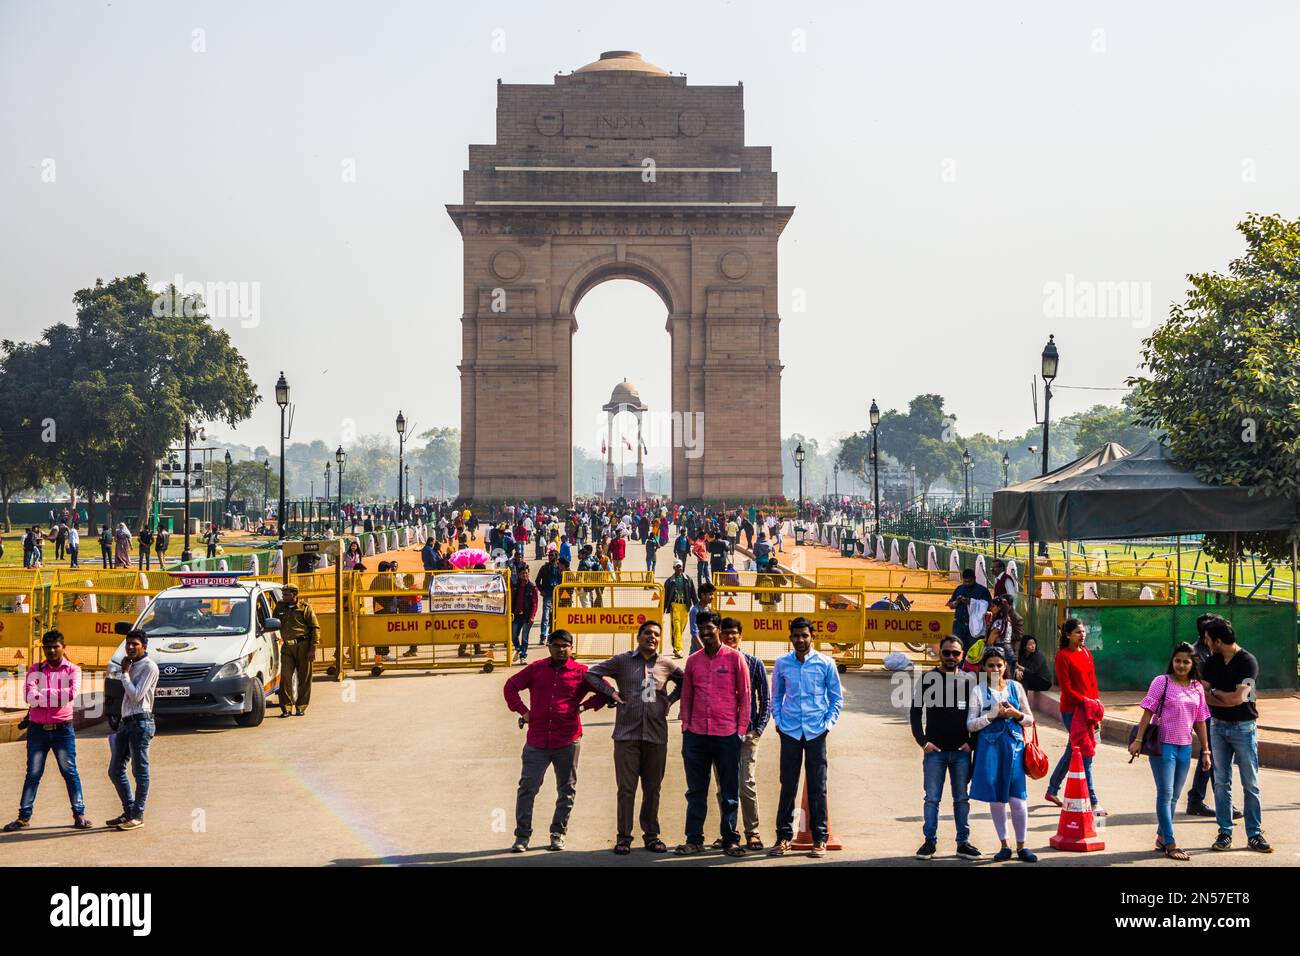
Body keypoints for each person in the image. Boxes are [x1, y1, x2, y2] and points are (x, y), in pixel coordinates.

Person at [585, 620, 684, 854]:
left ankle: (651, 836)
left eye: (657, 635)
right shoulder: (622, 661)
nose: (652, 637)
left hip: (656, 736)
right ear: (638, 637)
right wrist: (612, 693)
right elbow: (592, 674)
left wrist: (669, 701)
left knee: (653, 789)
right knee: (626, 789)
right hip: (626, 736)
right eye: (648, 633)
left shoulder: (667, 664)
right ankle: (624, 837)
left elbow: (685, 681)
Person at [502, 630, 605, 852]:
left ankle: (558, 833)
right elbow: (510, 686)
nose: (561, 649)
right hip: (537, 741)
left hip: (568, 740)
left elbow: (605, 691)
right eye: (556, 645)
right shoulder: (536, 669)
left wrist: (584, 706)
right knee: (527, 788)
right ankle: (522, 836)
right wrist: (523, 711)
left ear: (572, 648)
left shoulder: (581, 672)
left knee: (566, 790)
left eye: (565, 645)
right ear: (549, 647)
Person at [676, 610, 750, 856]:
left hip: (726, 734)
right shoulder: (693, 661)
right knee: (696, 791)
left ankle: (730, 839)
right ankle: (694, 839)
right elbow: (686, 696)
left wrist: (740, 730)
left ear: (718, 629)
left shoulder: (734, 658)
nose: (705, 633)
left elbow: (745, 696)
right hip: (696, 734)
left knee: (729, 791)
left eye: (709, 628)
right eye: (700, 629)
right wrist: (686, 726)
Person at [1127, 642, 1211, 861]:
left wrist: (1206, 751)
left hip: (1185, 747)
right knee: (1165, 795)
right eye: (1177, 661)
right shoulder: (1161, 682)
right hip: (1162, 746)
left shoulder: (1197, 687)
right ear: (1172, 662)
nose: (1181, 665)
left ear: (1192, 664)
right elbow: (1147, 714)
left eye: (1186, 661)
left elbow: (1200, 720)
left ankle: (1161, 837)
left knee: (1174, 796)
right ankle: (1171, 843)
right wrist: (1138, 740)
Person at [768, 616, 842, 858]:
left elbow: (836, 698)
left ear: (812, 636)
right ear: (790, 638)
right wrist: (779, 721)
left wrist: (828, 724)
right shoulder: (782, 664)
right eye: (796, 636)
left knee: (817, 787)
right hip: (789, 731)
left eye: (805, 635)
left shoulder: (825, 663)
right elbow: (776, 697)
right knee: (787, 785)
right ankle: (783, 837)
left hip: (816, 731)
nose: (800, 640)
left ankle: (819, 839)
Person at [4, 631, 93, 832]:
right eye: (47, 647)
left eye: (55, 646)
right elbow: (30, 697)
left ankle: (79, 815)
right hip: (37, 731)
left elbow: (69, 695)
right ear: (43, 648)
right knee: (33, 774)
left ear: (63, 647)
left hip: (62, 730)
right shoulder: (35, 669)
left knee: (69, 772)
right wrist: (54, 695)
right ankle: (23, 817)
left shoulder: (73, 670)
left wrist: (43, 693)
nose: (51, 650)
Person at [1201, 618, 1272, 852]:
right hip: (1218, 726)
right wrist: (1222, 695)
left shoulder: (1248, 661)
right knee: (1221, 782)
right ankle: (1224, 832)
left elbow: (1238, 699)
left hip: (1244, 727)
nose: (1205, 642)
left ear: (1218, 641)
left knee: (1250, 783)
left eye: (1208, 638)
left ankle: (1254, 833)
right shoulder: (1211, 661)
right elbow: (1204, 694)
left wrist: (1215, 692)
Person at [910, 634, 981, 860]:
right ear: (939, 653)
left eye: (956, 653)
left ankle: (963, 843)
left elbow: (978, 714)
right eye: (946, 652)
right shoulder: (928, 679)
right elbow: (915, 712)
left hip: (961, 753)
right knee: (932, 799)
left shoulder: (970, 681)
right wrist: (923, 742)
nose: (951, 657)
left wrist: (971, 743)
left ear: (962, 656)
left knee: (961, 799)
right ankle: (929, 842)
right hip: (935, 753)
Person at [967, 647, 1037, 862]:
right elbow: (970, 724)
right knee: (997, 800)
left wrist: (1015, 714)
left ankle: (1022, 846)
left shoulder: (1016, 688)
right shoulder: (978, 691)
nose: (995, 668)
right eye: (991, 665)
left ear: (1006, 666)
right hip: (989, 750)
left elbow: (1030, 720)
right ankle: (1004, 844)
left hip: (1015, 749)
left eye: (999, 664)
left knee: (1018, 801)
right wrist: (992, 715)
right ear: (984, 668)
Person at [718, 617, 770, 851]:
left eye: (734, 634)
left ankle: (753, 832)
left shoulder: (754, 663)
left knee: (745, 783)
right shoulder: (713, 662)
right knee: (723, 787)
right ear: (719, 635)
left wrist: (757, 730)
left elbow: (765, 699)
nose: (730, 637)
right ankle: (728, 832)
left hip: (747, 733)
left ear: (741, 636)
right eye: (726, 633)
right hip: (721, 734)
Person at [1044, 618, 1105, 814]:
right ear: (1068, 635)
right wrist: (1086, 703)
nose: (1082, 634)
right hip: (1072, 710)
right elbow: (1067, 689)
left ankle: (1052, 789)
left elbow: (1092, 681)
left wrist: (1096, 707)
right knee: (1085, 752)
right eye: (1078, 632)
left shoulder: (1086, 652)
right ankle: (1093, 801)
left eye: (1083, 631)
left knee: (1073, 750)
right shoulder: (1062, 656)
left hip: (1088, 709)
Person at [107, 629, 159, 830]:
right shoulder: (128, 664)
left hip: (141, 723)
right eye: (128, 643)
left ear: (144, 646)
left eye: (135, 644)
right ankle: (128, 810)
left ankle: (138, 815)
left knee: (140, 771)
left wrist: (125, 675)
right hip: (126, 722)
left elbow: (137, 696)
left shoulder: (149, 667)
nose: (130, 647)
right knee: (115, 770)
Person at [274, 584, 319, 717]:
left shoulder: (305, 608)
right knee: (285, 678)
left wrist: (313, 649)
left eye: (286, 594)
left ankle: (301, 706)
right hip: (287, 647)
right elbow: (273, 621)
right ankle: (286, 708)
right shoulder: (280, 607)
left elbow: (315, 628)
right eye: (283, 594)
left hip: (303, 646)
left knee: (304, 678)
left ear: (295, 594)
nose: (284, 597)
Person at [945, 568, 992, 657]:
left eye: (969, 582)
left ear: (974, 578)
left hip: (974, 626)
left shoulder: (982, 590)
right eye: (965, 582)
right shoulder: (959, 589)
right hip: (959, 624)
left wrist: (971, 602)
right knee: (957, 649)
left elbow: (987, 606)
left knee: (973, 651)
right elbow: (951, 605)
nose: (967, 584)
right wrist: (957, 601)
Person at [662, 560, 697, 659]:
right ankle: (679, 649)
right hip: (674, 606)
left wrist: (697, 607)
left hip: (685, 607)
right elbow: (664, 597)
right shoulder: (669, 581)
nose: (679, 568)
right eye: (677, 567)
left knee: (680, 628)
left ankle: (675, 645)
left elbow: (693, 593)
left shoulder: (688, 580)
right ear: (674, 568)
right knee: (676, 627)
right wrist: (662, 610)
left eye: (680, 567)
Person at [510, 564, 539, 664]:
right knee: (513, 635)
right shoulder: (515, 587)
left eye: (526, 573)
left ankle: (523, 656)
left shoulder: (532, 588)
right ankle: (518, 649)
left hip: (527, 616)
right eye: (522, 573)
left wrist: (532, 616)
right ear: (519, 575)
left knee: (524, 638)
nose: (525, 575)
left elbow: (535, 603)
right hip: (516, 615)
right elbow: (511, 600)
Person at [534, 550, 562, 646]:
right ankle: (542, 637)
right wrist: (541, 590)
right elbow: (537, 581)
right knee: (545, 616)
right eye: (549, 555)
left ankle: (550, 637)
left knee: (553, 616)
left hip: (557, 595)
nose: (550, 557)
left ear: (556, 556)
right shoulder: (544, 568)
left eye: (552, 555)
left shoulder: (560, 568)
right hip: (548, 595)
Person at [687, 582, 716, 655]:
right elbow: (694, 633)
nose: (713, 597)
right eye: (710, 594)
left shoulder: (709, 610)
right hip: (697, 652)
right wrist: (703, 649)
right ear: (703, 595)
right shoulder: (695, 611)